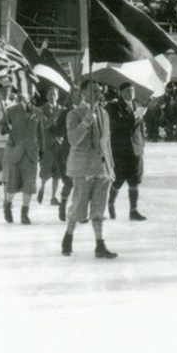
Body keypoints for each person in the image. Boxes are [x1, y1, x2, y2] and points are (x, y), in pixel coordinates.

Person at [61, 79, 117, 259]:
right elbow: (73, 139)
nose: (98, 94)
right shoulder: (74, 114)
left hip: (102, 168)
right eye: (93, 90)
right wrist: (86, 121)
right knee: (78, 207)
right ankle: (68, 237)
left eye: (99, 90)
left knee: (99, 209)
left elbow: (106, 142)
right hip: (83, 167)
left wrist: (111, 166)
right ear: (83, 93)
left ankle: (100, 244)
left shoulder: (105, 114)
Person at [107, 82, 147, 221]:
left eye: (133, 91)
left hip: (136, 149)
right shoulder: (113, 106)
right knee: (118, 179)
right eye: (128, 91)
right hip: (120, 148)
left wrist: (142, 144)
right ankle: (111, 203)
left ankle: (133, 210)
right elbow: (117, 124)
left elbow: (141, 128)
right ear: (120, 92)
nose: (131, 93)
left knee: (135, 180)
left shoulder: (137, 106)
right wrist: (135, 117)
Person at [2, 89, 39, 224]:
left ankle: (24, 213)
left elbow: (40, 133)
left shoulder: (37, 112)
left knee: (29, 186)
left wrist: (41, 151)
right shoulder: (11, 111)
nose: (26, 96)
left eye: (29, 93)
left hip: (30, 154)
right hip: (14, 152)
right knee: (12, 188)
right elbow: (1, 126)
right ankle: (7, 205)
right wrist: (5, 128)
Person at [36, 86, 70, 215]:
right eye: (50, 94)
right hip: (47, 145)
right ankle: (42, 189)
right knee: (45, 170)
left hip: (60, 145)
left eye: (54, 94)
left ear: (58, 96)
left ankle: (53, 197)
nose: (52, 96)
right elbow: (43, 125)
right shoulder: (41, 110)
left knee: (58, 172)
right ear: (46, 96)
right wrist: (54, 118)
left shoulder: (63, 110)